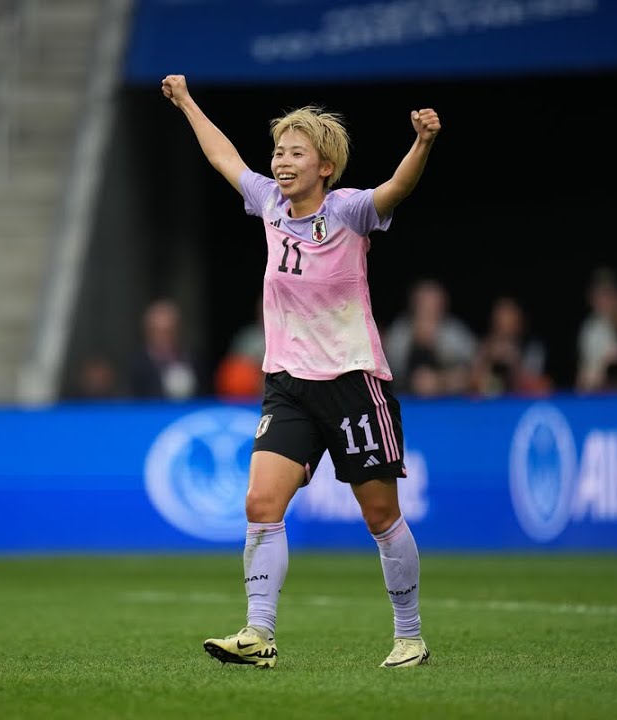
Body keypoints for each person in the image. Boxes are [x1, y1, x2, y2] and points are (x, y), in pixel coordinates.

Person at [162, 74, 440, 669]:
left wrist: (421, 143)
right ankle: (258, 633)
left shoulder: (349, 211)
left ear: (325, 167)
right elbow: (224, 157)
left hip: (353, 381)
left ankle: (410, 636)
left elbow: (396, 189)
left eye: (295, 153)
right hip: (288, 383)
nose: (281, 163)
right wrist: (186, 102)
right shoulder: (268, 202)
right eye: (278, 152)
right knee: (260, 501)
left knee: (381, 515)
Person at [382, 278, 476, 397]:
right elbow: (385, 372)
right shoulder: (399, 333)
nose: (429, 312)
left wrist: (440, 381)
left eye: (434, 307)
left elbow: (475, 374)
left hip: (449, 402)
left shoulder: (454, 334)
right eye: (424, 306)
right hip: (404, 401)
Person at [470, 295, 551, 396]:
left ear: (519, 321)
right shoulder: (486, 346)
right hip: (493, 402)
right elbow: (472, 386)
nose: (504, 327)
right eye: (499, 322)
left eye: (509, 319)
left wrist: (514, 363)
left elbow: (542, 387)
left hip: (521, 402)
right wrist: (485, 360)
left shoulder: (532, 347)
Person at [126, 298, 205, 400]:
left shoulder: (193, 359)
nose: (163, 338)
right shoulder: (137, 365)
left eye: (169, 331)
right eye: (158, 332)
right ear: (147, 332)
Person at [575, 267, 617, 393]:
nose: (605, 299)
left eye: (609, 293)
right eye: (600, 294)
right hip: (600, 392)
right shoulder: (590, 328)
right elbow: (587, 373)